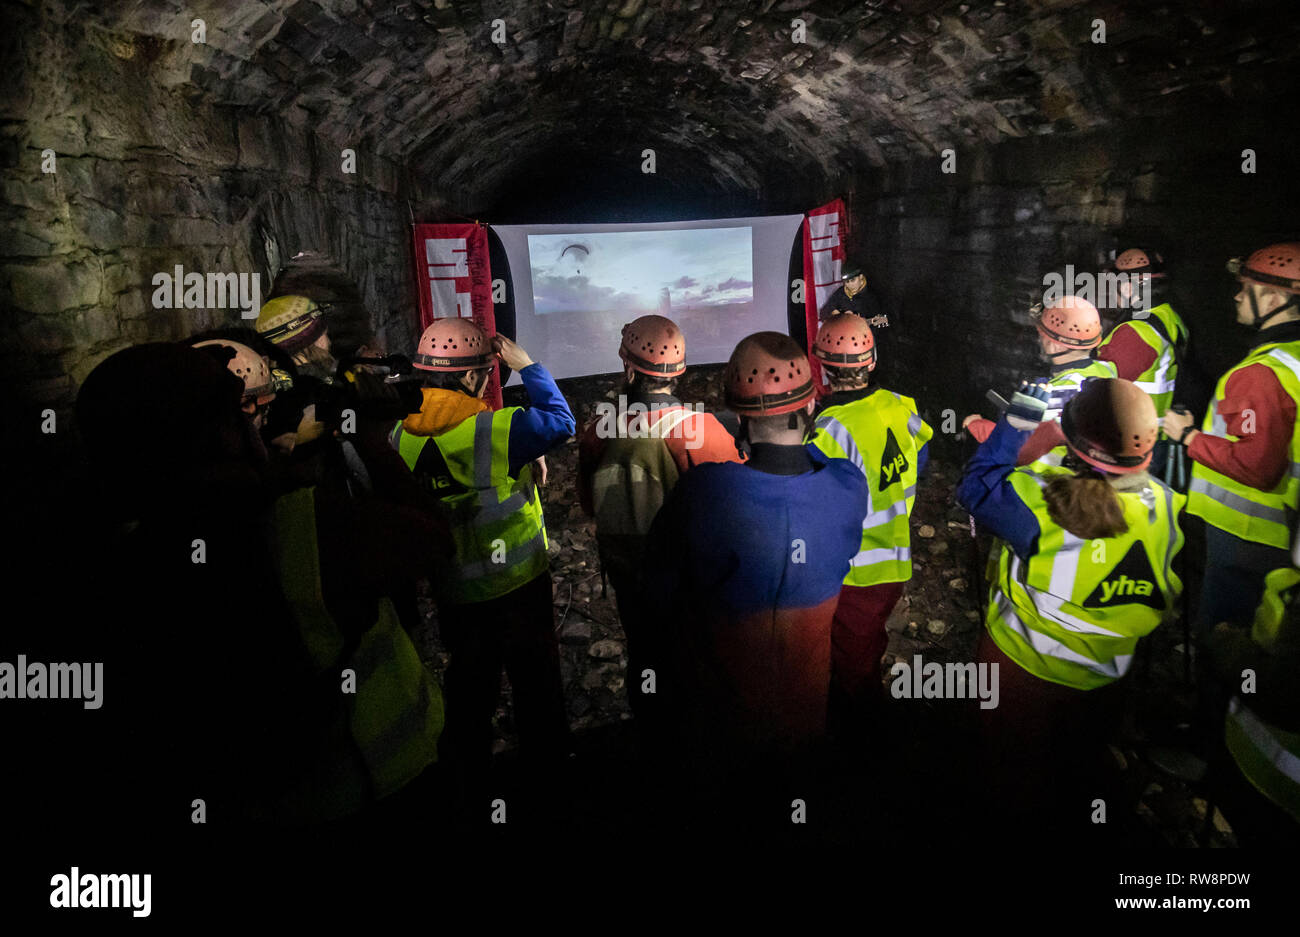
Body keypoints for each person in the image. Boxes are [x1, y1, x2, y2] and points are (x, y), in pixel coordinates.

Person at [74, 343, 449, 835]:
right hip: (381, 785)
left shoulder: (114, 569)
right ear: (222, 433)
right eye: (243, 412)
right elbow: (433, 541)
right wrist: (373, 440)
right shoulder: (306, 524)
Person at [644, 332, 868, 823]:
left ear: (740, 417)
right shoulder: (848, 485)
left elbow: (658, 585)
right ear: (810, 408)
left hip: (723, 717)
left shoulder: (707, 493)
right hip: (808, 715)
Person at [958, 378, 1184, 836]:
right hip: (1104, 675)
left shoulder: (1037, 503)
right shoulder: (1164, 502)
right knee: (1074, 767)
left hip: (1022, 670)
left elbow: (976, 485)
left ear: (1075, 445)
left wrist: (1019, 422)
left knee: (1010, 774)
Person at [388, 318, 576, 818]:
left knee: (470, 689)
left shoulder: (394, 438)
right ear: (474, 377)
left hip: (456, 593)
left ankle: (464, 790)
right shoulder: (496, 426)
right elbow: (561, 421)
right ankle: (551, 787)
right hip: (518, 586)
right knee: (536, 687)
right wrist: (529, 366)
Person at [576, 315, 742, 739]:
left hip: (631, 570)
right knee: (695, 652)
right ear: (680, 371)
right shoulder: (703, 430)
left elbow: (589, 502)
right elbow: (736, 502)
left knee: (645, 650)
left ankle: (652, 736)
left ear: (628, 367)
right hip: (690, 578)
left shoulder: (601, 429)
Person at [1164, 243, 1300, 636]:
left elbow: (1256, 465)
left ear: (1274, 297)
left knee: (1227, 638)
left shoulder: (1262, 372)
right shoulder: (1291, 357)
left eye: (1247, 288)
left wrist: (1188, 436)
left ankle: (1226, 693)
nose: (1237, 296)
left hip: (1249, 534)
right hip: (1282, 536)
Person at [807, 315, 932, 735]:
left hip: (857, 570)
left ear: (822, 366)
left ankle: (863, 742)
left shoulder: (829, 429)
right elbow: (922, 456)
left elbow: (816, 501)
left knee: (850, 665)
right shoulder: (901, 404)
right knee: (869, 643)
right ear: (872, 360)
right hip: (896, 559)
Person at [963, 295, 1118, 468]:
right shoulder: (1107, 370)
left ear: (1055, 345)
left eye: (1042, 335)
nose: (1039, 340)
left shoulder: (1054, 396)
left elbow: (1016, 450)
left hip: (1052, 479)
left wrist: (978, 427)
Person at [1095, 248, 1190, 476]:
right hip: (1154, 438)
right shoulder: (1167, 315)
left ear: (1129, 286)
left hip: (1130, 443)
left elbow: (1099, 390)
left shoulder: (1134, 332)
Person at [819, 262, 892, 380]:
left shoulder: (871, 298)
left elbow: (884, 323)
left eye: (852, 281)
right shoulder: (841, 294)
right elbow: (823, 313)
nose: (849, 285)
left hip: (864, 350)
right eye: (847, 282)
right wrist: (838, 315)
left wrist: (866, 326)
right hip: (843, 350)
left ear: (861, 277)